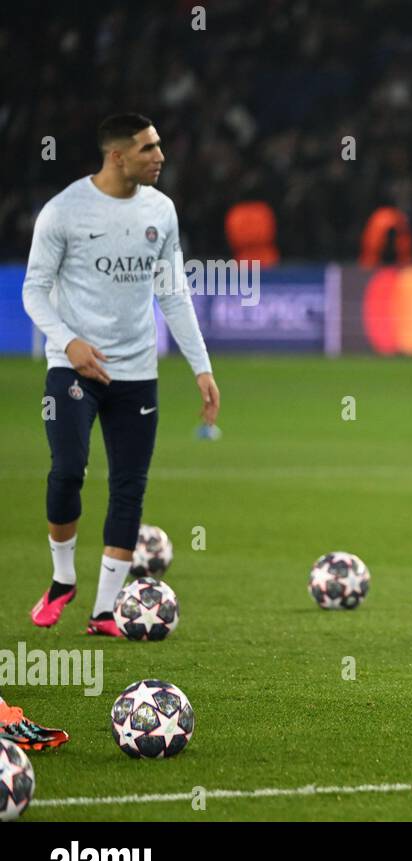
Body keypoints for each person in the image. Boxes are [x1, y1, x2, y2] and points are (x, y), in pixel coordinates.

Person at [22, 113, 219, 636]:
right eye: (149, 148)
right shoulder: (64, 211)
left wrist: (201, 367)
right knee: (68, 469)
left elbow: (172, 292)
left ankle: (104, 610)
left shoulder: (162, 210)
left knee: (129, 486)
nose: (161, 156)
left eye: (159, 147)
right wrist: (68, 341)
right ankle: (63, 578)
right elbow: (33, 290)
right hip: (73, 367)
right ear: (117, 156)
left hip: (136, 372)